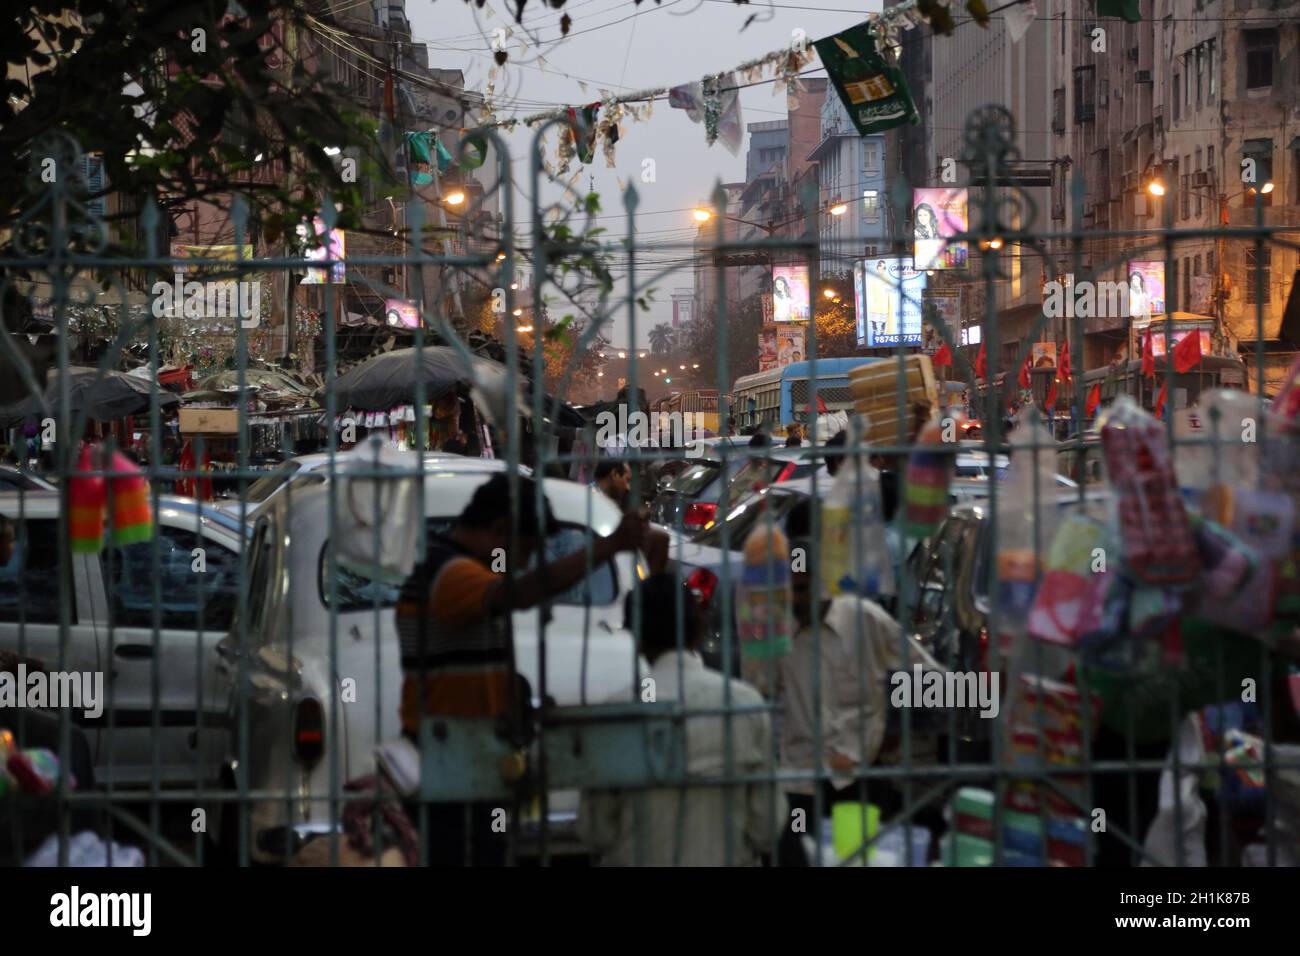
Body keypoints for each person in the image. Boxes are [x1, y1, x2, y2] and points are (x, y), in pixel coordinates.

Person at [396, 473, 647, 866]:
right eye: (527, 549)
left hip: (468, 766)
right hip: (447, 772)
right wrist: (607, 547)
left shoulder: (459, 570)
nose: (528, 561)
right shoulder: (450, 574)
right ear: (501, 529)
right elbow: (521, 593)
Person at [775, 499, 942, 860]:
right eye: (788, 590)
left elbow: (933, 680)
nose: (794, 600)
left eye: (802, 589)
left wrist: (893, 730)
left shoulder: (865, 621)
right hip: (799, 785)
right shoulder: (776, 635)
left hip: (860, 781)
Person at [579, 574, 782, 866]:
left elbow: (596, 831)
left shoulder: (618, 712)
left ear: (635, 638)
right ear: (699, 629)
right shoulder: (743, 703)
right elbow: (766, 826)